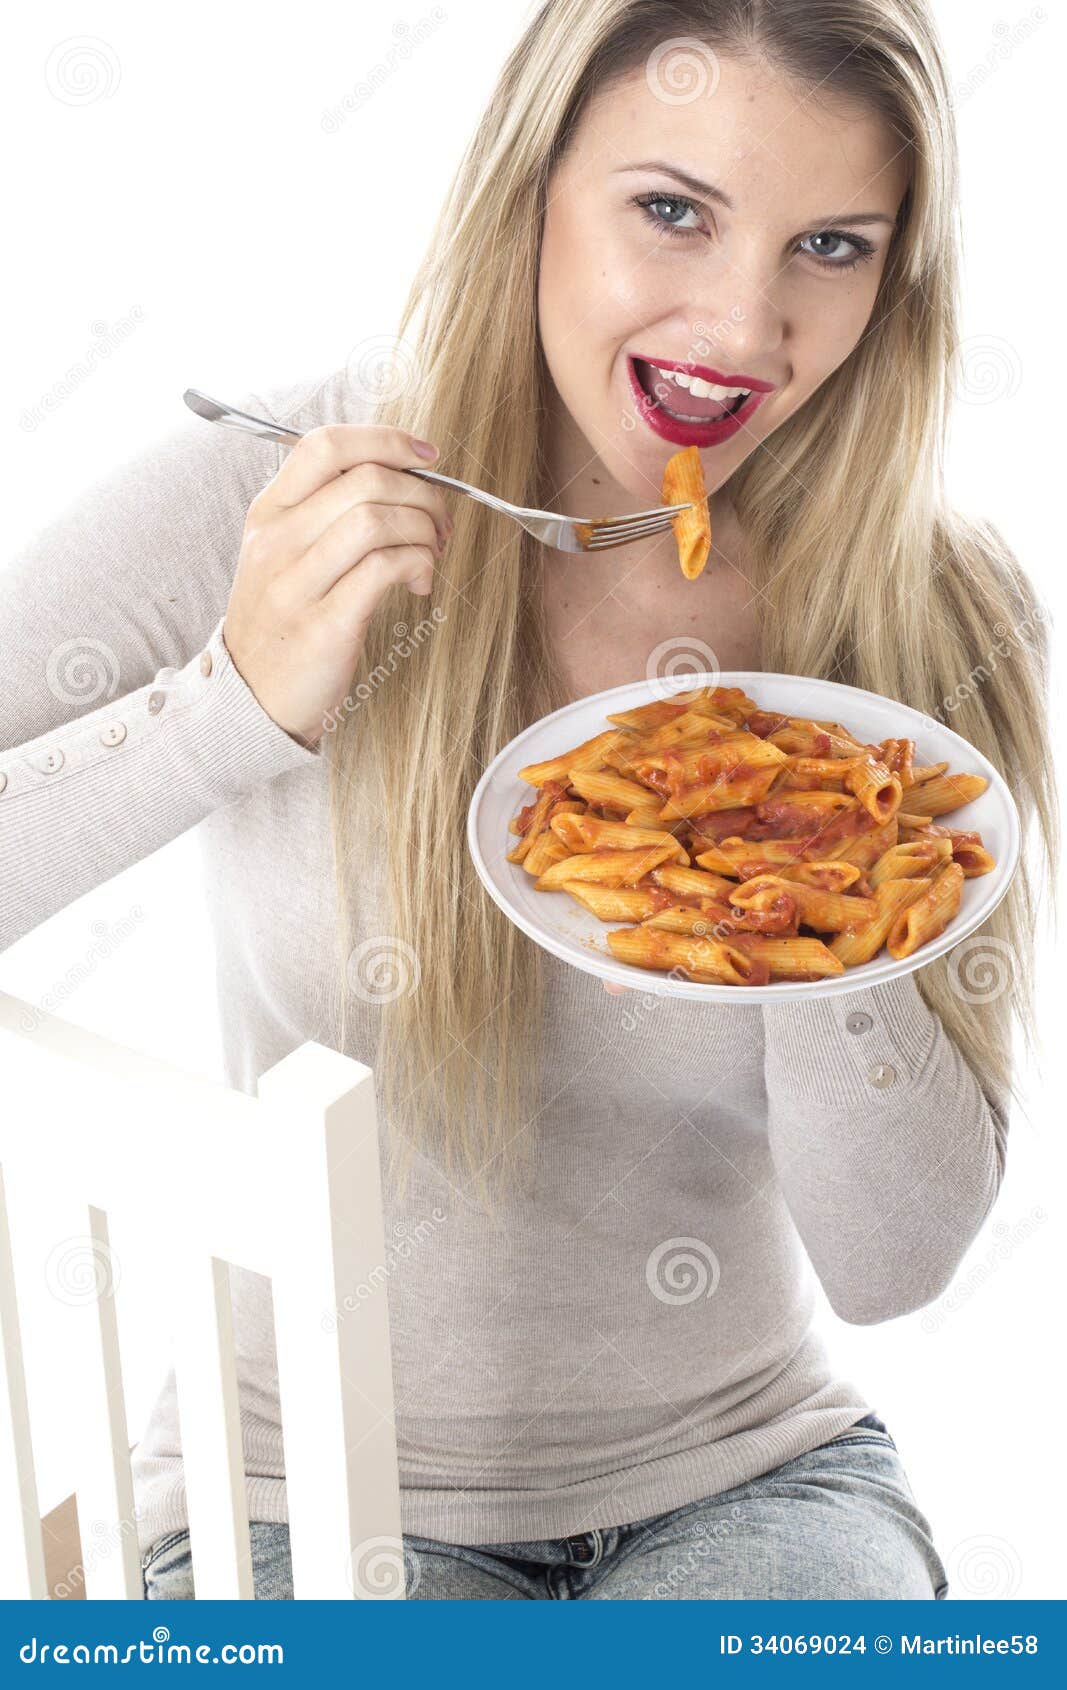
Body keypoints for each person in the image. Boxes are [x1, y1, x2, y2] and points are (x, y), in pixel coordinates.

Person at [2, 0, 1053, 1600]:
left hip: (755, 1475)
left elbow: (895, 1266)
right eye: (673, 211)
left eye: (829, 245)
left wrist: (825, 868)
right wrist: (234, 706)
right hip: (303, 1485)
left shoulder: (930, 619)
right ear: (530, 183)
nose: (743, 326)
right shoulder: (289, 491)